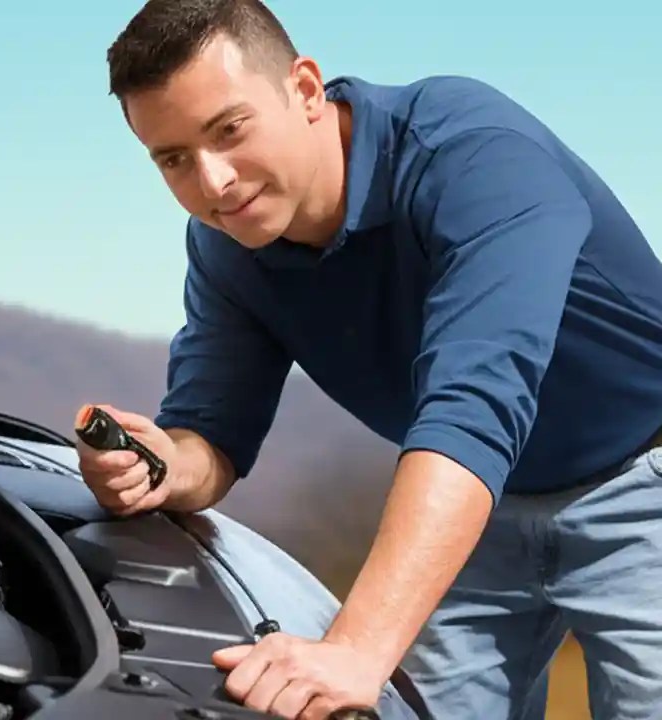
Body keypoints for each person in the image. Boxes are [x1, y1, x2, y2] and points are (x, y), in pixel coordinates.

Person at [75, 1, 662, 718]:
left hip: (644, 485)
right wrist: (162, 466)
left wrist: (357, 647)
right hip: (477, 515)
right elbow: (212, 432)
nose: (213, 183)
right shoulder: (229, 247)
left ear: (306, 89)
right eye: (174, 159)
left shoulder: (473, 153)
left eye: (229, 130)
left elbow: (473, 406)